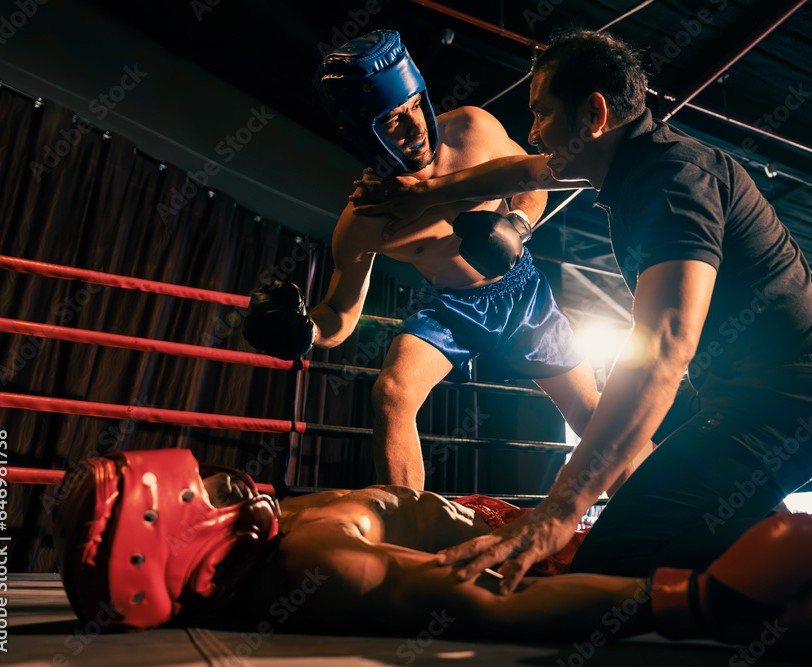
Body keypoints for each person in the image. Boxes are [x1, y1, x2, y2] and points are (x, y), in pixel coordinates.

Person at [348, 29, 812, 613]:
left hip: (792, 403)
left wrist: (560, 508)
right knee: (689, 546)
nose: (533, 131)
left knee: (611, 575)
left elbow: (667, 346)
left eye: (541, 112)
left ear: (593, 116)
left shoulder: (672, 183)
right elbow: (523, 171)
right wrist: (423, 193)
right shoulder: (633, 158)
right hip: (746, 404)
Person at [51, 448, 812, 661]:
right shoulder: (313, 561)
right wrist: (701, 602)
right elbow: (483, 601)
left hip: (528, 516)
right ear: (173, 546)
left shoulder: (274, 519)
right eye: (194, 495)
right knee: (751, 459)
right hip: (586, 557)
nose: (210, 479)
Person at [242, 30, 616, 492]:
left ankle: (665, 518)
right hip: (449, 309)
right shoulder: (365, 221)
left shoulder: (473, 131)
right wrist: (305, 330)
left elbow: (535, 177)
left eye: (417, 105)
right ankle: (410, 524)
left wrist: (517, 225)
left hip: (520, 291)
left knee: (591, 416)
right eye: (393, 120)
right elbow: (340, 313)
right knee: (392, 394)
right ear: (362, 134)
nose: (416, 125)